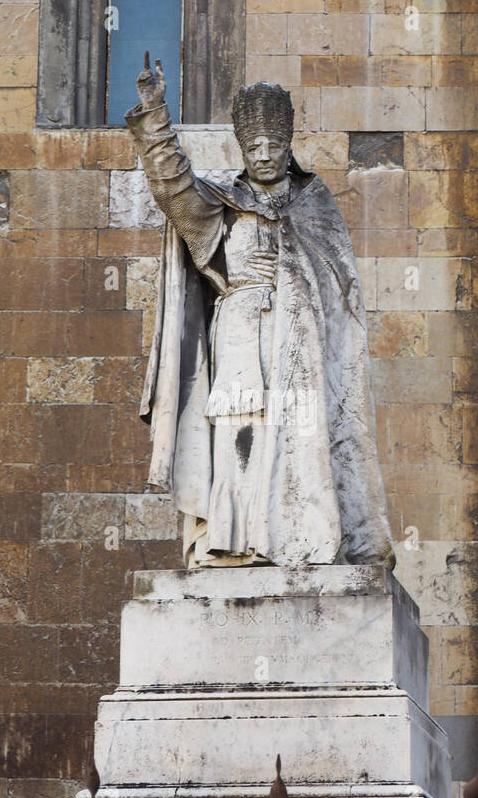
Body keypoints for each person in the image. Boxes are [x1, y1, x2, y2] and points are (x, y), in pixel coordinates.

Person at [127, 54, 395, 570]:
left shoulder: (315, 203)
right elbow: (172, 187)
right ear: (242, 148)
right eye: (255, 147)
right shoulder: (218, 206)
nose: (266, 155)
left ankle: (306, 540)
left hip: (302, 347)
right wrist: (156, 118)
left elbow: (338, 290)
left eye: (275, 145)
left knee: (304, 439)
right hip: (242, 338)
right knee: (237, 436)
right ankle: (234, 542)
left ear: (289, 145)